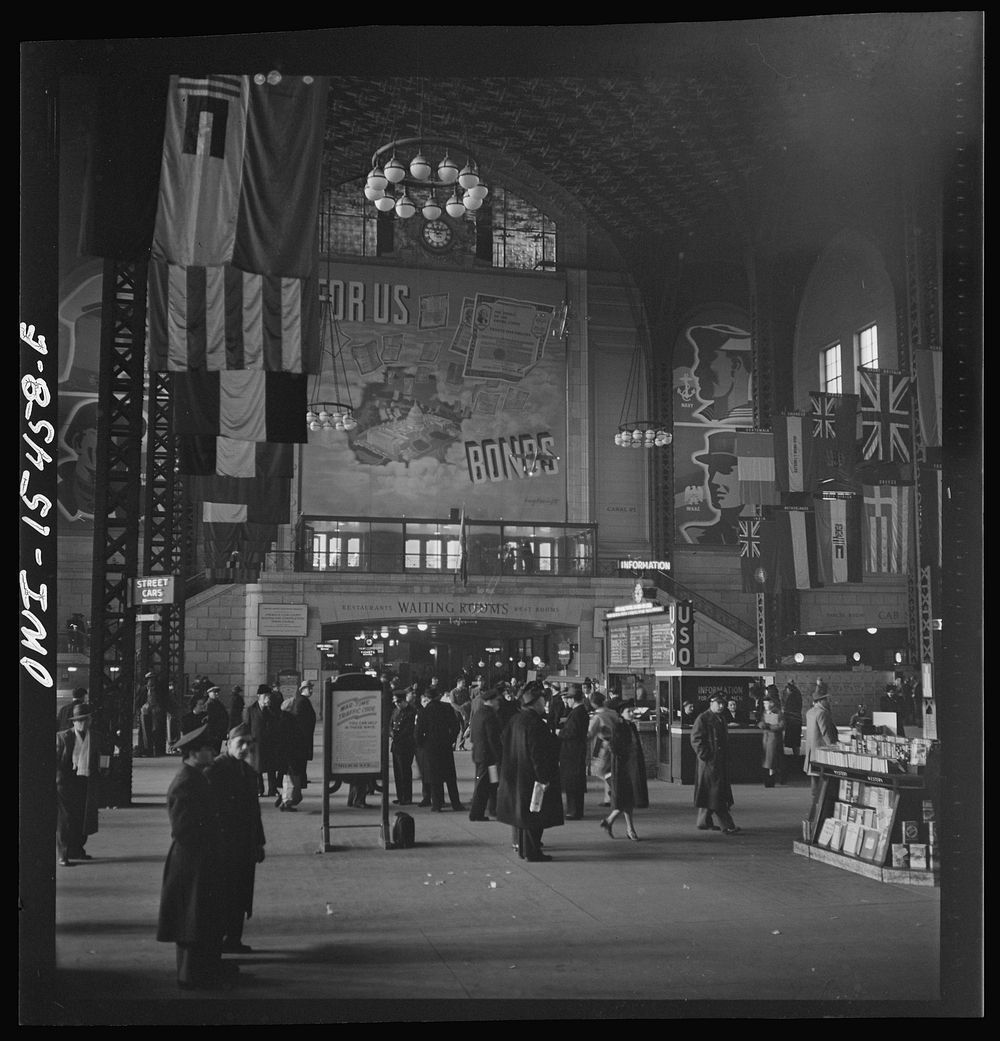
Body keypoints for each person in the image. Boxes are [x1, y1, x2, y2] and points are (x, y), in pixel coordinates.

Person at [156, 724, 229, 991]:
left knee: (200, 917)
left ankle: (202, 973)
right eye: (208, 749)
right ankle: (191, 978)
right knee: (191, 919)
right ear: (194, 754)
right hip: (191, 861)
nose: (213, 752)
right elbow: (182, 828)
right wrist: (209, 839)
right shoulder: (186, 782)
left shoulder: (196, 776)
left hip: (198, 859)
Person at [204, 724, 266, 955]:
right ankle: (219, 938)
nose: (245, 747)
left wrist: (259, 842)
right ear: (228, 744)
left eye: (249, 743)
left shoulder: (247, 771)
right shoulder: (215, 770)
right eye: (240, 743)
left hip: (244, 845)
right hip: (225, 845)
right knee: (224, 893)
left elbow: (254, 811)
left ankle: (234, 938)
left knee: (241, 893)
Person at [496, 681, 564, 862]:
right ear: (535, 703)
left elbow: (504, 741)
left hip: (516, 774)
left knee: (524, 816)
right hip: (533, 778)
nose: (545, 704)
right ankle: (532, 852)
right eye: (542, 700)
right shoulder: (535, 724)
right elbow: (538, 754)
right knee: (535, 816)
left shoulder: (516, 720)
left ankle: (523, 849)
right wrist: (543, 778)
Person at [56, 702, 107, 865]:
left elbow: (103, 755)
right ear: (73, 722)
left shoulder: (96, 736)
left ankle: (77, 850)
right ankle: (63, 854)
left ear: (90, 720)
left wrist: (104, 769)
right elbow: (56, 761)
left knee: (81, 816)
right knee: (66, 818)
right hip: (66, 780)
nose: (83, 723)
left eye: (86, 720)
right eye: (80, 720)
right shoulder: (63, 737)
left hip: (85, 780)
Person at [681, 429, 748, 546]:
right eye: (711, 472)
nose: (713, 481)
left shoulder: (769, 534)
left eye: (725, 470)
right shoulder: (697, 535)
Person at [690, 693, 740, 834]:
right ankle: (728, 825)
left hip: (718, 763)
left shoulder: (721, 718)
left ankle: (703, 821)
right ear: (711, 703)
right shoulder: (703, 718)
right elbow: (695, 739)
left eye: (723, 703)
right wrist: (706, 755)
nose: (721, 706)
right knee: (717, 794)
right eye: (718, 703)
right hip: (710, 764)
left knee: (710, 793)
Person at [688, 322, 754, 425]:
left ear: (735, 365)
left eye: (707, 362)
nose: (696, 372)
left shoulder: (749, 418)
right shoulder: (704, 416)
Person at [600, 704, 648, 840]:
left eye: (632, 711)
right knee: (626, 797)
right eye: (629, 711)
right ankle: (623, 827)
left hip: (632, 766)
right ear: (621, 713)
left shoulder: (630, 725)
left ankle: (618, 825)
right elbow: (614, 747)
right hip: (624, 768)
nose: (632, 713)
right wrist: (624, 759)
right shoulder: (619, 726)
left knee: (628, 798)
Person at [414, 687, 464, 811]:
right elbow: (456, 726)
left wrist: (422, 744)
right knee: (450, 777)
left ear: (427, 698)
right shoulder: (447, 708)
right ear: (438, 696)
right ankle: (455, 803)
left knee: (435, 777)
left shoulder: (424, 712)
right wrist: (451, 739)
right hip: (445, 745)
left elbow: (418, 732)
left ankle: (437, 805)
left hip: (431, 747)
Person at [803, 679, 838, 824]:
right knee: (824, 789)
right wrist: (836, 748)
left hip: (812, 755)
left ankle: (812, 816)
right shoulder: (823, 714)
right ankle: (820, 816)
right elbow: (826, 734)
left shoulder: (810, 712)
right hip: (822, 757)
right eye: (827, 699)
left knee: (814, 790)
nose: (829, 702)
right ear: (821, 700)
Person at [281, 680, 317, 809]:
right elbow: (302, 724)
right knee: (294, 772)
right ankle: (287, 800)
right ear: (302, 689)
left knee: (293, 772)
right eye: (309, 688)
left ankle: (287, 798)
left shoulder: (301, 701)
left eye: (311, 688)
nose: (311, 690)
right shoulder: (302, 702)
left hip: (298, 744)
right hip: (299, 744)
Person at [468, 687, 503, 821]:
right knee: (483, 785)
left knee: (492, 782)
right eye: (497, 701)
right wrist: (499, 757)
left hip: (480, 754)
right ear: (492, 701)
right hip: (488, 758)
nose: (498, 703)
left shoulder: (479, 713)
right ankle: (476, 813)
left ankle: (493, 809)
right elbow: (492, 739)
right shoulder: (490, 716)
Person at [558, 685, 590, 819]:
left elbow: (572, 732)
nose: (567, 702)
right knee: (574, 783)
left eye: (568, 699)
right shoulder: (581, 711)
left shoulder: (577, 713)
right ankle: (575, 810)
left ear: (572, 699)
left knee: (572, 783)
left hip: (572, 752)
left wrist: (560, 732)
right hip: (576, 751)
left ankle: (573, 811)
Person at [587, 690, 620, 807]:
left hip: (604, 744)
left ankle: (615, 792)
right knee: (610, 769)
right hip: (617, 743)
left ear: (593, 703)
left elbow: (590, 734)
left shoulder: (597, 717)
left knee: (602, 771)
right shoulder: (613, 713)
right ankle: (608, 798)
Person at [390, 687, 417, 806]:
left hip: (405, 745)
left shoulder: (411, 712)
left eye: (397, 702)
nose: (395, 704)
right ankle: (400, 796)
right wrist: (391, 733)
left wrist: (396, 736)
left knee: (405, 772)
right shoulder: (396, 711)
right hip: (396, 746)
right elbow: (391, 724)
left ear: (402, 701)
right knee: (397, 772)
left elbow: (408, 730)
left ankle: (407, 797)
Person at [758, 689, 785, 788]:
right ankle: (769, 779)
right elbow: (760, 722)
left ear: (772, 703)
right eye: (764, 703)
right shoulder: (765, 713)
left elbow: (781, 725)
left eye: (766, 703)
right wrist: (762, 725)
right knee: (767, 761)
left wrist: (769, 726)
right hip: (766, 739)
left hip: (774, 740)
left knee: (772, 761)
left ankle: (771, 780)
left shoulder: (778, 713)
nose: (765, 705)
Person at [204, 685, 230, 752]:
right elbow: (209, 720)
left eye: (217, 692)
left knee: (217, 750)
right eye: (214, 692)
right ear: (209, 694)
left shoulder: (218, 703)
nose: (217, 694)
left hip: (220, 732)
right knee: (213, 751)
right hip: (213, 733)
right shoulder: (209, 704)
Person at [781, 680, 803, 754]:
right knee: (795, 741)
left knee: (793, 740)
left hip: (791, 720)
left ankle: (795, 757)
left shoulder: (792, 695)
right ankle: (796, 755)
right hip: (796, 719)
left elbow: (786, 706)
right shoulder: (797, 693)